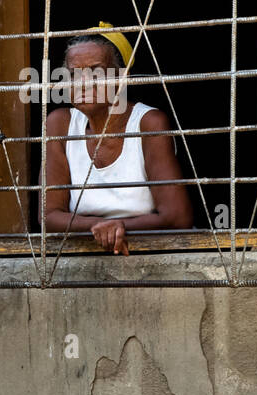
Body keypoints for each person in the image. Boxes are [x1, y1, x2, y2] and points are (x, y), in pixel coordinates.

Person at [43, 22, 193, 254]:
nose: (83, 83)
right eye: (73, 74)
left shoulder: (148, 123)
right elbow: (49, 215)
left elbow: (177, 216)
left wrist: (119, 227)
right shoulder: (60, 124)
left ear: (123, 78)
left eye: (95, 72)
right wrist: (98, 227)